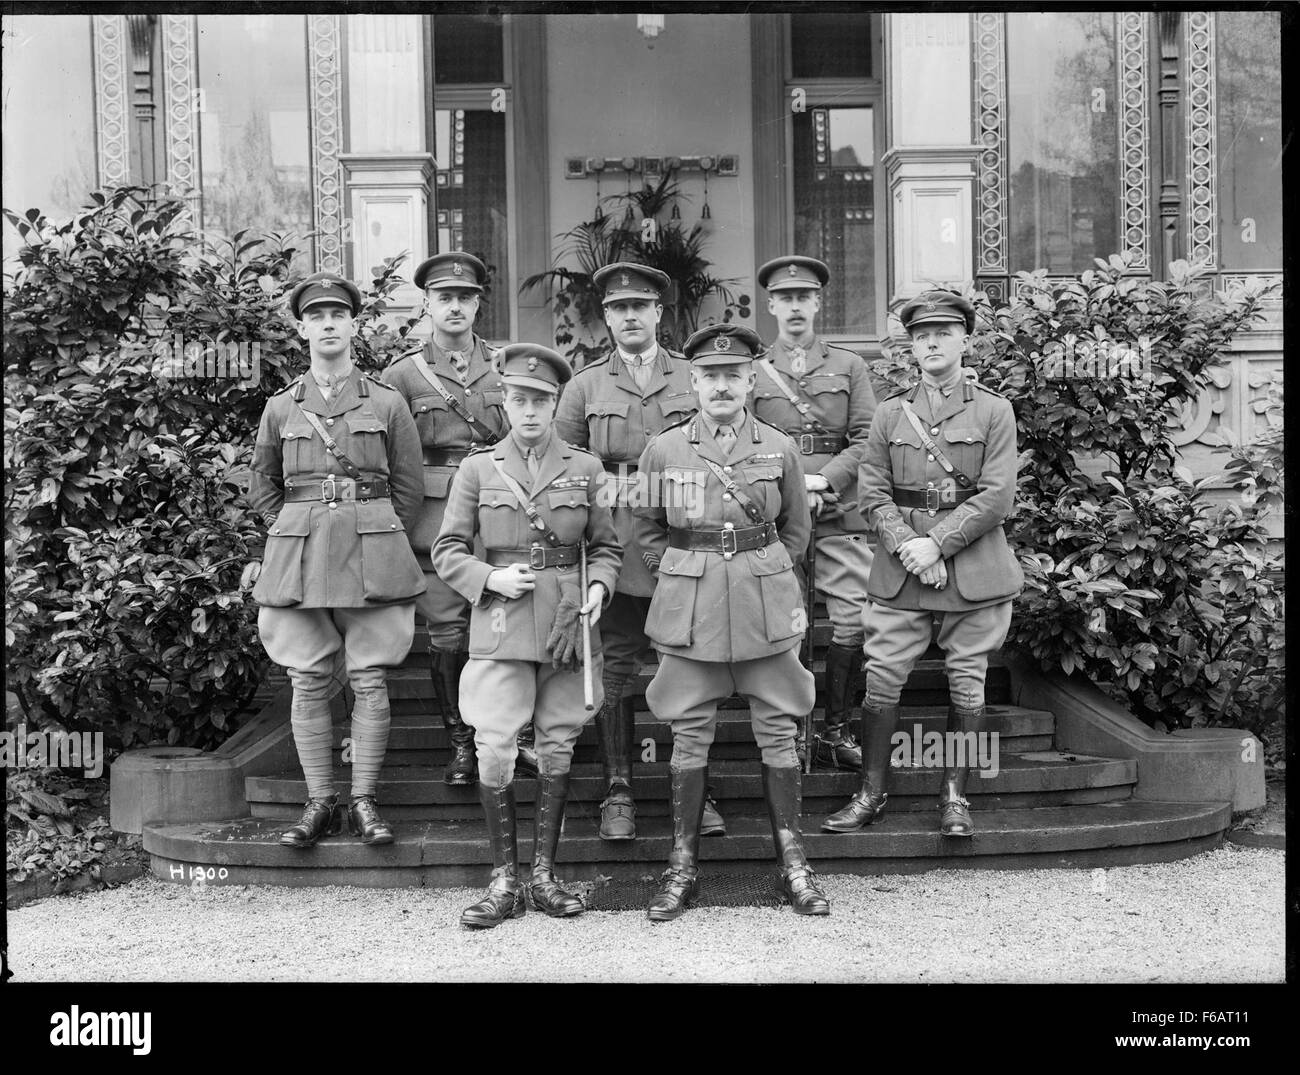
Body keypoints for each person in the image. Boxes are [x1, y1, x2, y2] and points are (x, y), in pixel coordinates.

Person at [635, 324, 829, 920]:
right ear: (692, 382)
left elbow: (796, 528)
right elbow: (644, 527)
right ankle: (682, 863)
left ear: (750, 381)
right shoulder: (664, 450)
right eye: (709, 376)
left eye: (733, 375)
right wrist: (677, 574)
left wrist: (766, 571)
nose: (721, 385)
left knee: (778, 729)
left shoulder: (780, 447)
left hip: (764, 606)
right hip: (690, 611)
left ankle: (793, 862)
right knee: (689, 733)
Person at [431, 343, 621, 928]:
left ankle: (544, 875)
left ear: (556, 401)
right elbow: (447, 550)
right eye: (519, 399)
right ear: (505, 403)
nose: (530, 410)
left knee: (559, 742)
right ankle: (503, 880)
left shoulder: (587, 469)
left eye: (541, 400)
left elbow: (608, 548)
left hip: (567, 624)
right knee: (494, 745)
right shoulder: (478, 468)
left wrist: (598, 592)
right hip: (501, 622)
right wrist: (490, 576)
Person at [822, 290, 1023, 838]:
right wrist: (912, 547)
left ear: (965, 339)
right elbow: (872, 493)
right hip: (901, 566)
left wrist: (938, 545)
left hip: (974, 565)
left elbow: (997, 495)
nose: (931, 343)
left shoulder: (994, 410)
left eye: (942, 333)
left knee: (968, 683)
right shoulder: (889, 414)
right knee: (882, 678)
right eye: (920, 335)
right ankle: (870, 792)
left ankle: (956, 796)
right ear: (910, 346)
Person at [248, 271, 426, 849]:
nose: (328, 324)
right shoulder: (281, 407)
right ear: (302, 328)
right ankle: (319, 802)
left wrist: (373, 525)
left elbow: (409, 487)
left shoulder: (387, 401)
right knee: (307, 679)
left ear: (353, 325)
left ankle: (365, 802)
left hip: (373, 550)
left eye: (338, 316)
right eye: (317, 316)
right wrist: (290, 530)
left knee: (371, 678)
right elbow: (263, 486)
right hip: (299, 556)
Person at [554, 261, 724, 840]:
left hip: (688, 535)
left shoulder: (695, 375)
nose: (629, 316)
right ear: (605, 318)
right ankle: (619, 790)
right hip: (619, 546)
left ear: (659, 313)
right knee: (619, 669)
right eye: (617, 308)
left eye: (640, 306)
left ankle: (697, 787)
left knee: (691, 665)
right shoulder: (584, 386)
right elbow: (566, 468)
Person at [381, 252, 537, 787]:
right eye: (443, 297)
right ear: (426, 303)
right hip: (433, 518)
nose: (454, 306)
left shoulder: (506, 365)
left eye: (464, 297)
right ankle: (462, 745)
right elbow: (391, 458)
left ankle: (511, 736)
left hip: (498, 508)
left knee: (506, 626)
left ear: (477, 304)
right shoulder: (401, 374)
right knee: (447, 632)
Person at [753, 255, 877, 770]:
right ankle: (791, 731)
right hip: (779, 515)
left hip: (839, 511)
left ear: (818, 303)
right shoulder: (754, 369)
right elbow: (749, 441)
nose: (795, 307)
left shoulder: (849, 366)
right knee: (786, 622)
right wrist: (792, 488)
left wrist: (825, 479)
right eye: (786, 298)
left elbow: (869, 438)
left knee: (852, 620)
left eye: (805, 297)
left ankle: (836, 728)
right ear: (772, 305)